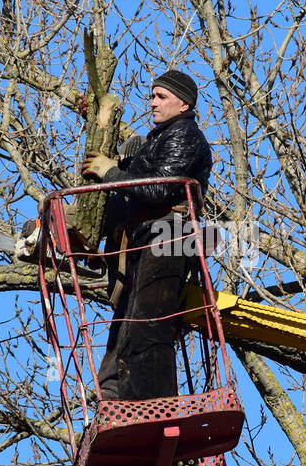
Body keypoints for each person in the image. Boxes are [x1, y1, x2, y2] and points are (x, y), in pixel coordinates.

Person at [80, 70, 212, 401]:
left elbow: (158, 189)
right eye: (151, 96)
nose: (152, 102)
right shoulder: (158, 138)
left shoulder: (185, 135)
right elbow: (137, 179)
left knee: (151, 320)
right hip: (147, 237)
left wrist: (111, 172)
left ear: (184, 104)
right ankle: (113, 394)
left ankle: (153, 401)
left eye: (161, 97)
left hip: (170, 233)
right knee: (127, 320)